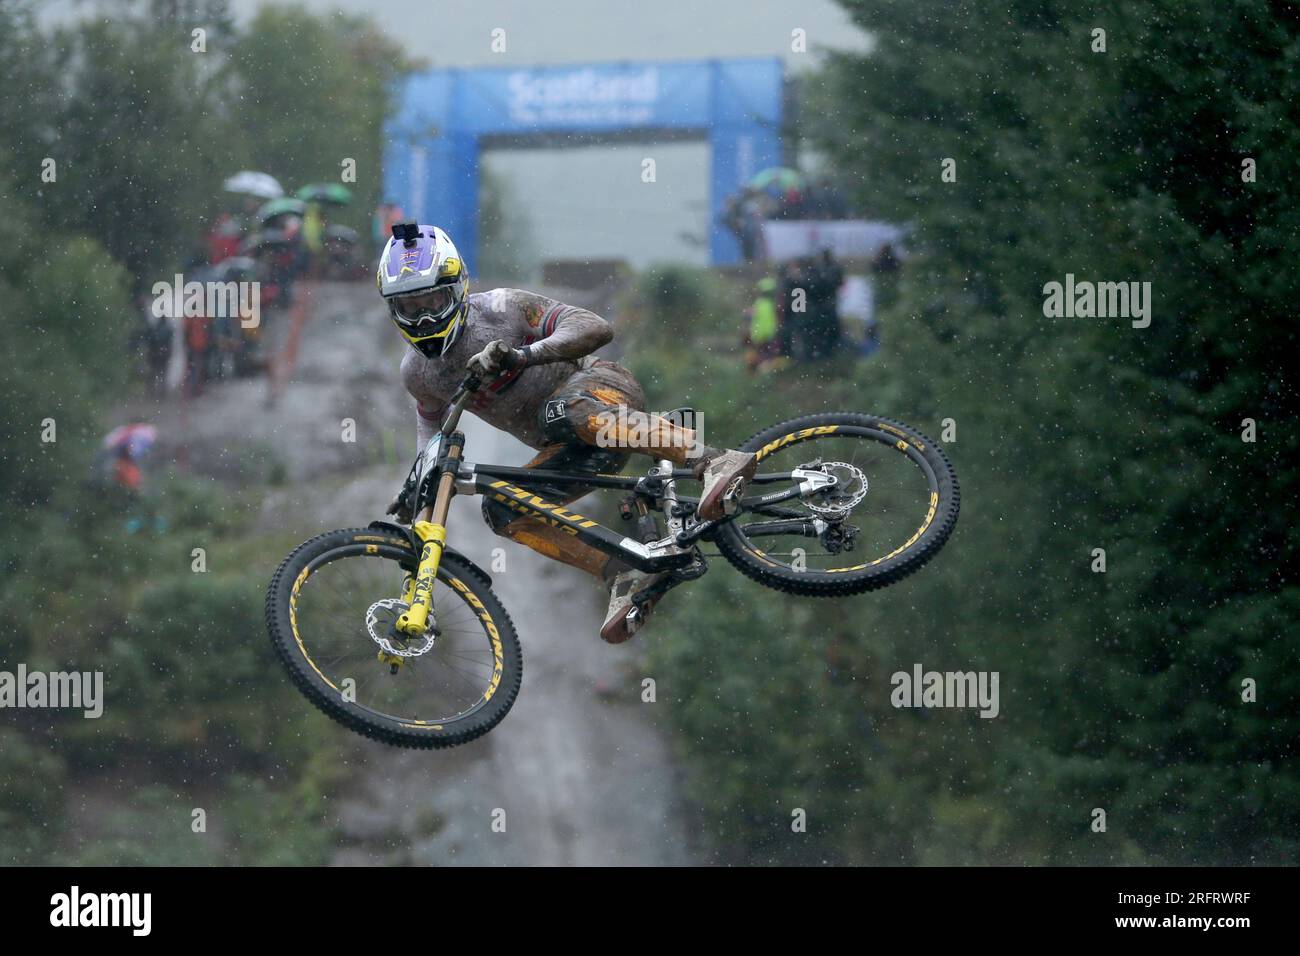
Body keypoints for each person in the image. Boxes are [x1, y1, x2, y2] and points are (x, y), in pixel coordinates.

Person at [378, 223, 758, 643]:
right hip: (572, 447)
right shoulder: (418, 373)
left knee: (562, 412)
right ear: (393, 310)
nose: (425, 316)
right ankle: (624, 574)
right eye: (410, 308)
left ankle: (711, 459)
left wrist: (523, 356)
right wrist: (418, 489)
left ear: (457, 288)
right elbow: (430, 432)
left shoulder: (503, 307)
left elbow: (596, 328)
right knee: (503, 509)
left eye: (432, 300)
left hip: (602, 392)